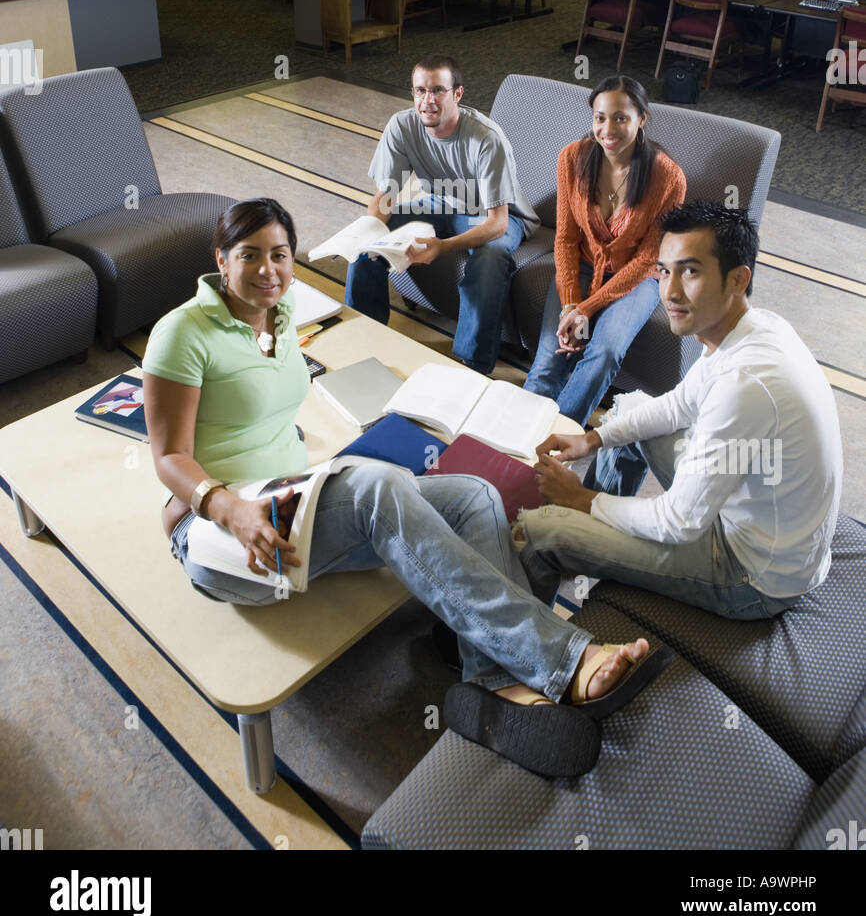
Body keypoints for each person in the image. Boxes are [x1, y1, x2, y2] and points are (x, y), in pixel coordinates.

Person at [142, 197, 669, 779]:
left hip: (295, 501)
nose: (269, 270)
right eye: (250, 256)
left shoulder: (282, 310)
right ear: (221, 258)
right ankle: (565, 658)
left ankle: (494, 682)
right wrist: (230, 508)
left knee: (475, 495)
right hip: (224, 532)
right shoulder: (181, 332)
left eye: (281, 255)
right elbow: (168, 457)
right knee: (377, 484)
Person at [519, 202, 844, 620]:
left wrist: (581, 499)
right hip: (755, 522)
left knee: (541, 530)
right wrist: (591, 438)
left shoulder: (745, 384)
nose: (670, 292)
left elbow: (680, 522)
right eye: (664, 270)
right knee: (631, 410)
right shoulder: (754, 327)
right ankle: (596, 538)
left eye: (690, 271)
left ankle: (519, 655)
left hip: (753, 576)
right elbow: (678, 405)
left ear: (737, 279)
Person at [344, 55, 539, 375]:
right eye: (420, 91)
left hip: (493, 215)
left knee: (490, 258)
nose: (427, 100)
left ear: (457, 94)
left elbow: (498, 222)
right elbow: (385, 198)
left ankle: (472, 364)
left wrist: (443, 246)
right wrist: (371, 231)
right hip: (441, 203)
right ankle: (365, 335)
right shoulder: (401, 126)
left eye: (437, 90)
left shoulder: (486, 138)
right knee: (369, 237)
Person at [524, 75, 686, 427]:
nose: (607, 129)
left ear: (642, 119)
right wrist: (570, 303)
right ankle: (514, 448)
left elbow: (647, 259)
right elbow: (566, 239)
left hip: (638, 278)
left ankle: (559, 442)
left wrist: (586, 308)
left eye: (620, 118)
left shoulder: (668, 177)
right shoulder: (572, 157)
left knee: (605, 350)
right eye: (600, 118)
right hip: (580, 267)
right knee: (548, 362)